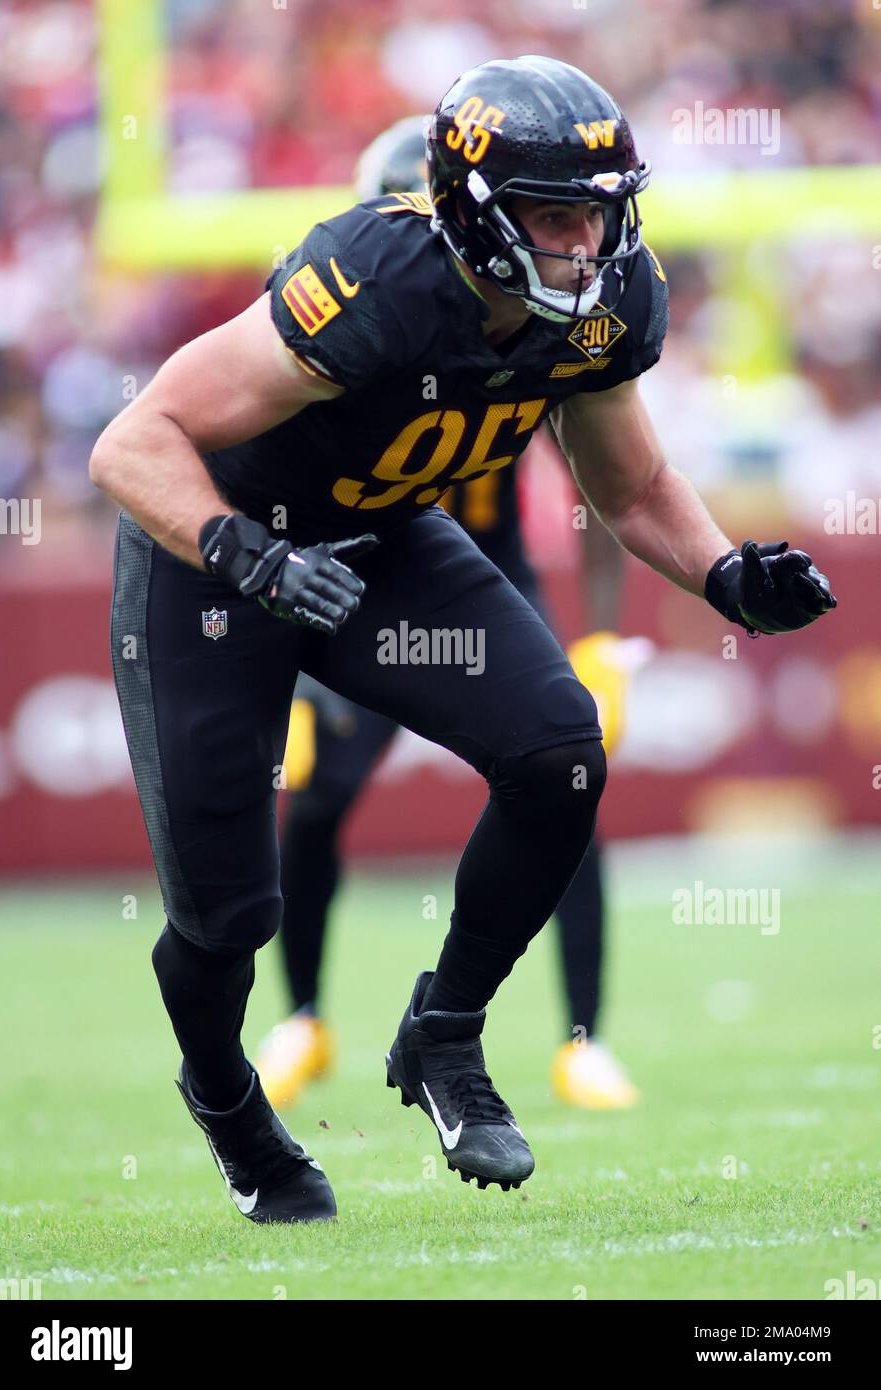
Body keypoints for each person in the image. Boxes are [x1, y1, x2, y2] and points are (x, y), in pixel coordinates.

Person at [92, 56, 836, 1223]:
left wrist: (729, 576)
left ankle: (444, 1032)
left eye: (596, 215)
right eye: (553, 216)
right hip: (221, 561)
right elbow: (133, 442)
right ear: (474, 212)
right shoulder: (376, 277)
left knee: (558, 749)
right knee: (226, 915)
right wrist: (247, 553)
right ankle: (230, 1099)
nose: (584, 246)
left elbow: (633, 490)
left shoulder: (600, 302)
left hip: (381, 539)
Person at [257, 114, 641, 1115]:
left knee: (565, 773)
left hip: (489, 572)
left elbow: (616, 484)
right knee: (326, 786)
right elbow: (273, 473)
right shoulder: (374, 307)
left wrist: (599, 637)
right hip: (376, 568)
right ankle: (301, 1014)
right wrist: (289, 669)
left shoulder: (539, 317)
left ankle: (582, 1033)